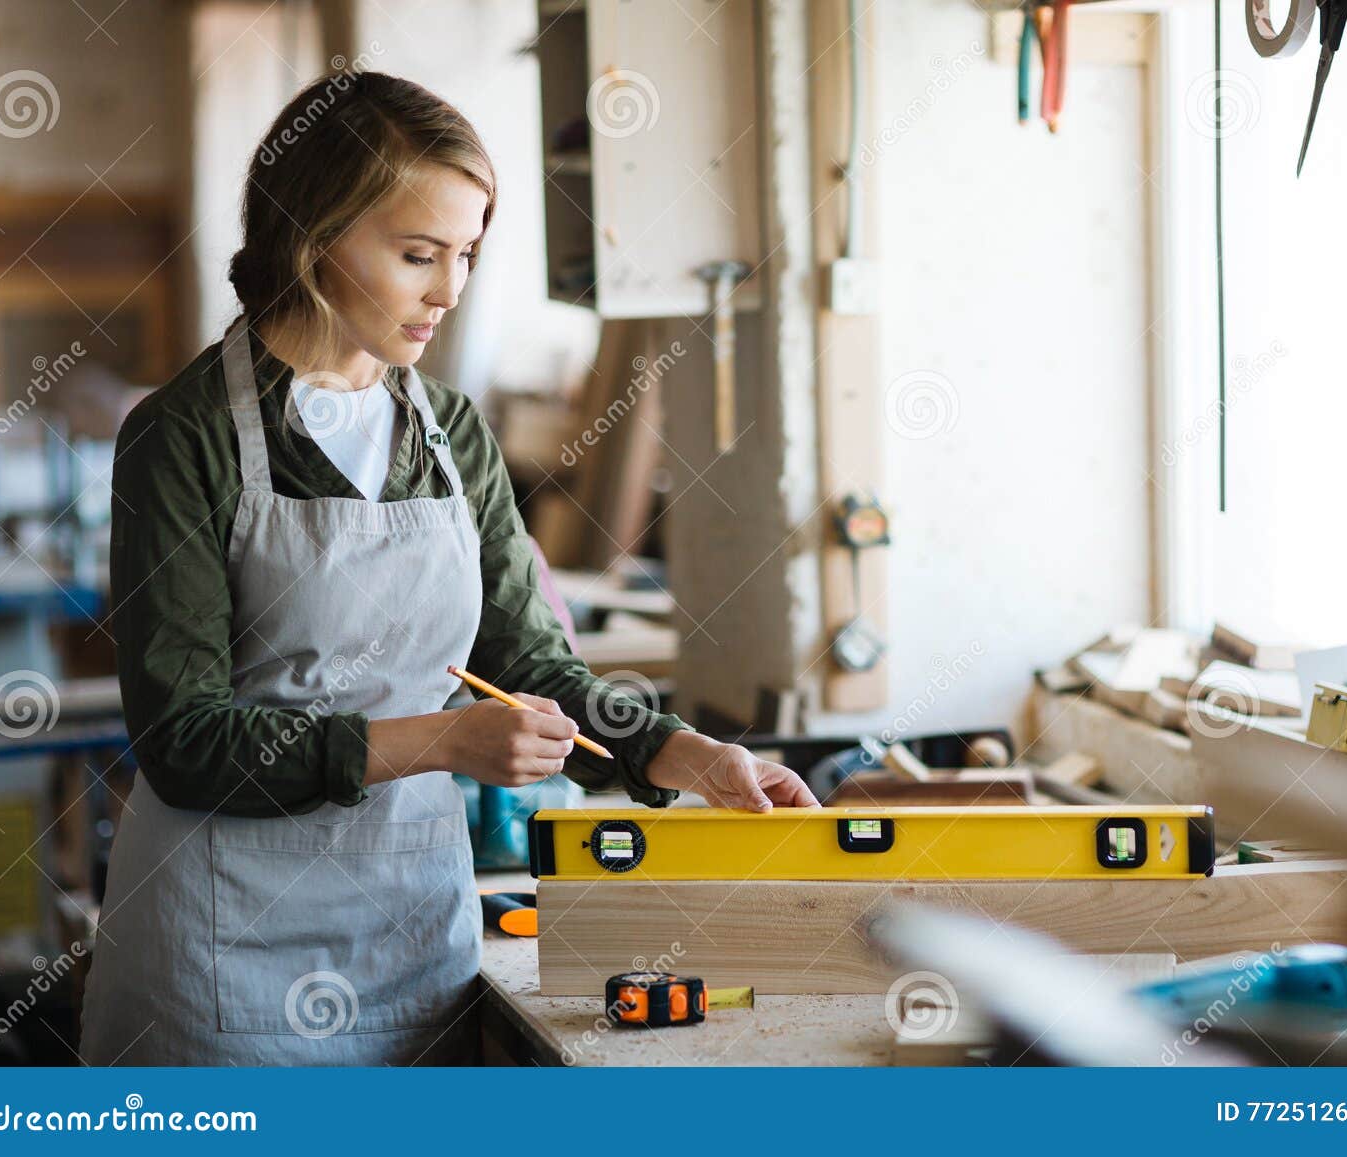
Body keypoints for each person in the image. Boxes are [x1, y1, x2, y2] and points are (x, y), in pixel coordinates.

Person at [79, 71, 818, 1066]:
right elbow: (185, 739)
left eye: (466, 253)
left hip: (409, 935)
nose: (450, 289)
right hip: (225, 947)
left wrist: (685, 756)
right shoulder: (184, 436)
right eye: (417, 253)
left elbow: (530, 660)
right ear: (311, 235)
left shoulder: (447, 430)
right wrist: (443, 738)